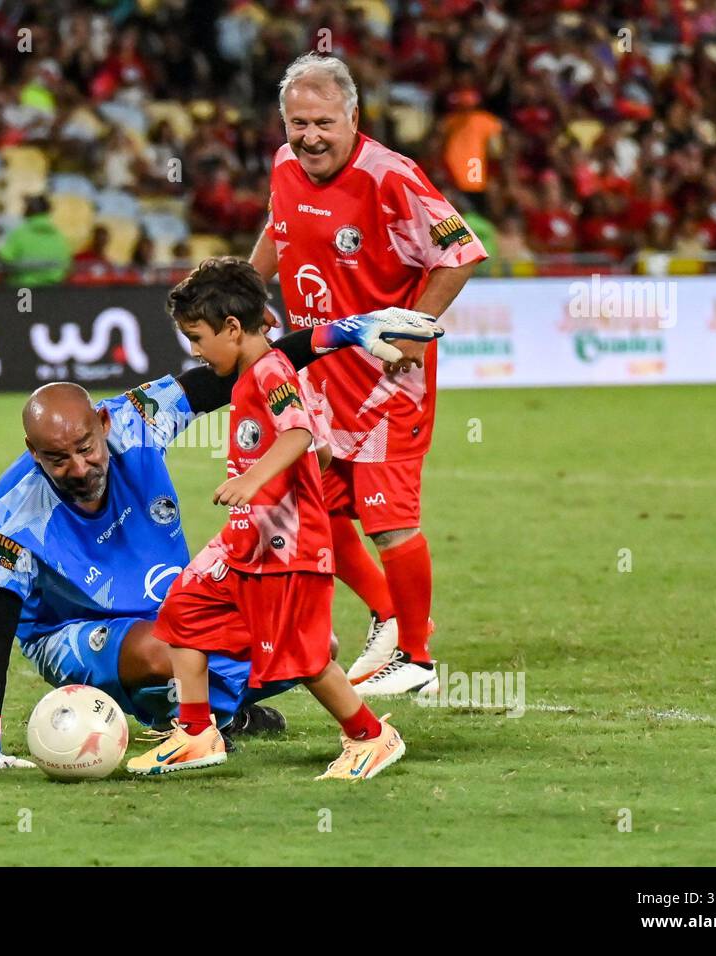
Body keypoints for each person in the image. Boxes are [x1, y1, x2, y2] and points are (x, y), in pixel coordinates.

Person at [0, 302, 430, 771]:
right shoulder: (13, 517)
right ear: (32, 453)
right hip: (69, 633)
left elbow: (238, 371)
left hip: (171, 610)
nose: (79, 468)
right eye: (58, 460)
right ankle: (213, 720)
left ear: (103, 425)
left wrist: (342, 333)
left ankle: (210, 722)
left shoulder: (134, 420)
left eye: (86, 449)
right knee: (162, 647)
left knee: (312, 645)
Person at [126, 258, 437, 780]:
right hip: (245, 539)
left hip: (288, 546)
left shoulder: (270, 372)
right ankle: (197, 732)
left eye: (197, 337)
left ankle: (371, 736)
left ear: (231, 328)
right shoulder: (255, 373)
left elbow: (297, 436)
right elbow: (313, 452)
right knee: (183, 612)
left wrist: (253, 481)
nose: (194, 351)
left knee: (305, 660)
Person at [250, 54, 486, 697]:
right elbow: (278, 225)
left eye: (324, 122)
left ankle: (416, 656)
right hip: (319, 376)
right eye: (298, 123)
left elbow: (459, 252)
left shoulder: (392, 177)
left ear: (353, 117)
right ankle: (389, 613)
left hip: (386, 383)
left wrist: (416, 327)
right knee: (314, 505)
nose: (310, 136)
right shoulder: (283, 165)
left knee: (389, 520)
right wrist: (249, 294)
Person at [0, 194, 73, 286]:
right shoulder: (59, 236)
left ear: (29, 210)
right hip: (53, 292)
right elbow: (67, 265)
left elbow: (4, 258)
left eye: (25, 206)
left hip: (22, 292)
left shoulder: (20, 234)